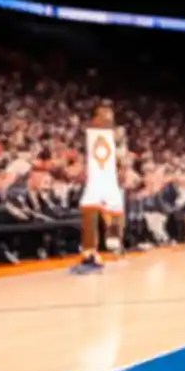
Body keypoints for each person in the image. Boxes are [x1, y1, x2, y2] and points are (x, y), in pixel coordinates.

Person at [72, 102, 125, 274]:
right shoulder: (87, 134)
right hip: (95, 178)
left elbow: (121, 159)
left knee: (117, 212)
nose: (107, 118)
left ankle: (116, 246)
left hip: (110, 179)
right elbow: (78, 155)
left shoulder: (117, 136)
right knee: (90, 213)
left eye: (110, 116)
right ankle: (89, 253)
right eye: (103, 115)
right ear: (95, 118)